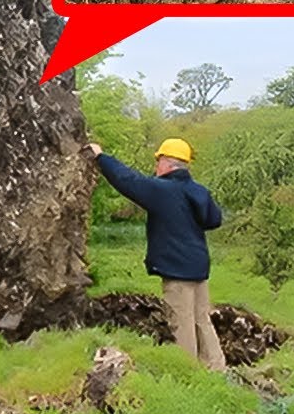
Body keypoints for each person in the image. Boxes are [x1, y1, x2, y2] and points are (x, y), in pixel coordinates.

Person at [86, 138, 227, 371]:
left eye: (158, 161)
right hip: (199, 266)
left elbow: (128, 180)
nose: (155, 167)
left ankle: (186, 371)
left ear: (167, 163)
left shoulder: (162, 190)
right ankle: (216, 368)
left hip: (177, 269)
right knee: (202, 318)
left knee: (181, 321)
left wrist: (101, 157)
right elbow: (214, 220)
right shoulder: (198, 190)